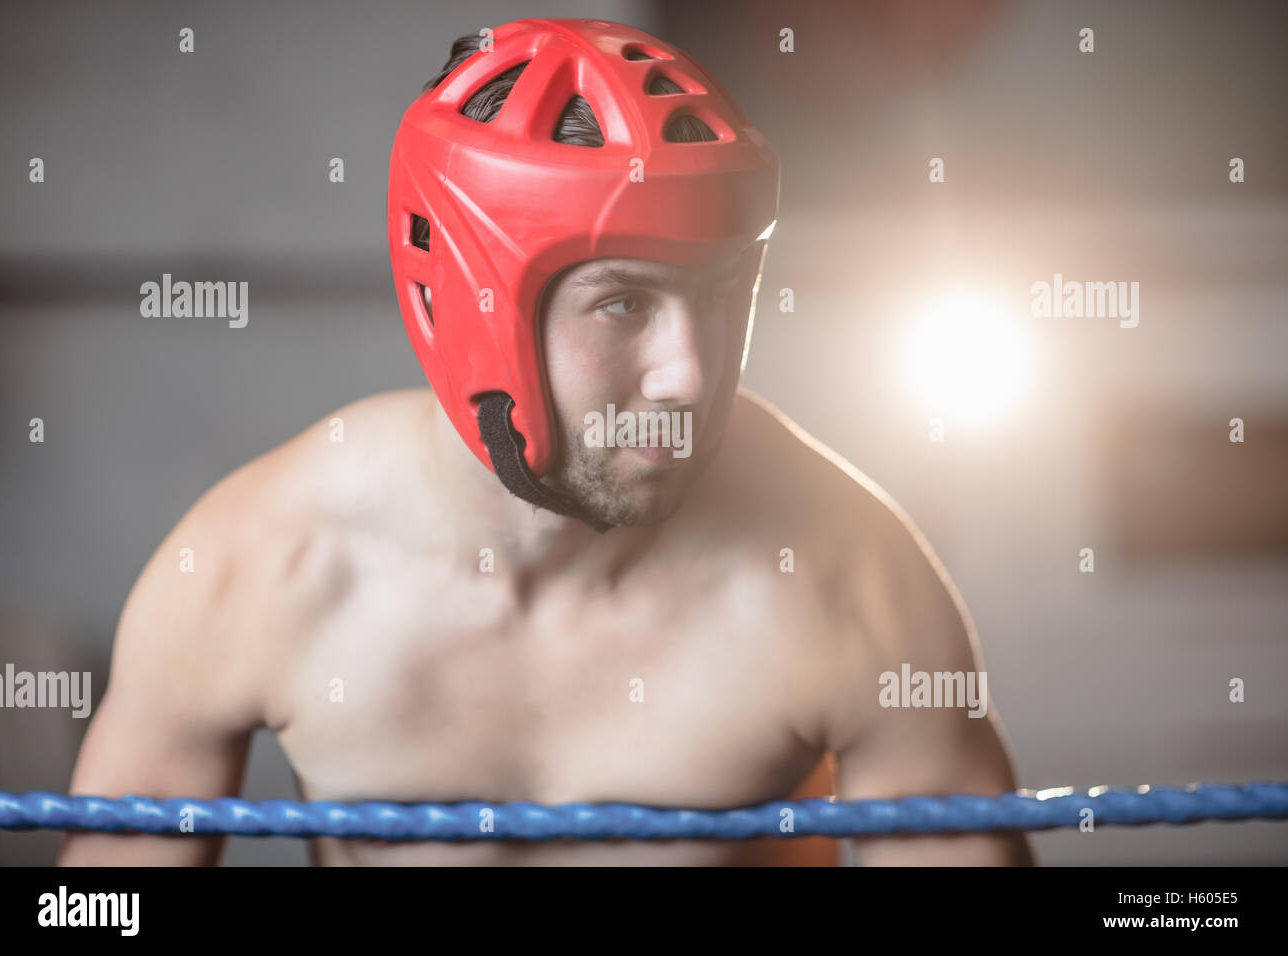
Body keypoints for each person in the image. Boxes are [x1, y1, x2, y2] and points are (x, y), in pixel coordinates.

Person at [58, 18, 1032, 866]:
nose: (687, 374)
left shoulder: (846, 580)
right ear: (471, 304)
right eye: (621, 302)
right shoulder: (261, 565)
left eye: (719, 294)